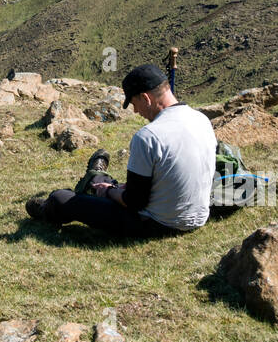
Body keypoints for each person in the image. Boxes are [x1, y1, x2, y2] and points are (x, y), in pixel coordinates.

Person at [25, 63, 216, 238]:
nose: (135, 111)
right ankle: (97, 178)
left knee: (62, 197)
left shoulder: (149, 136)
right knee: (111, 186)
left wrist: (108, 193)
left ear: (145, 98)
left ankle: (50, 207)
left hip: (156, 224)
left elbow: (134, 202)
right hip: (196, 219)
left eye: (134, 104)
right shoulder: (201, 120)